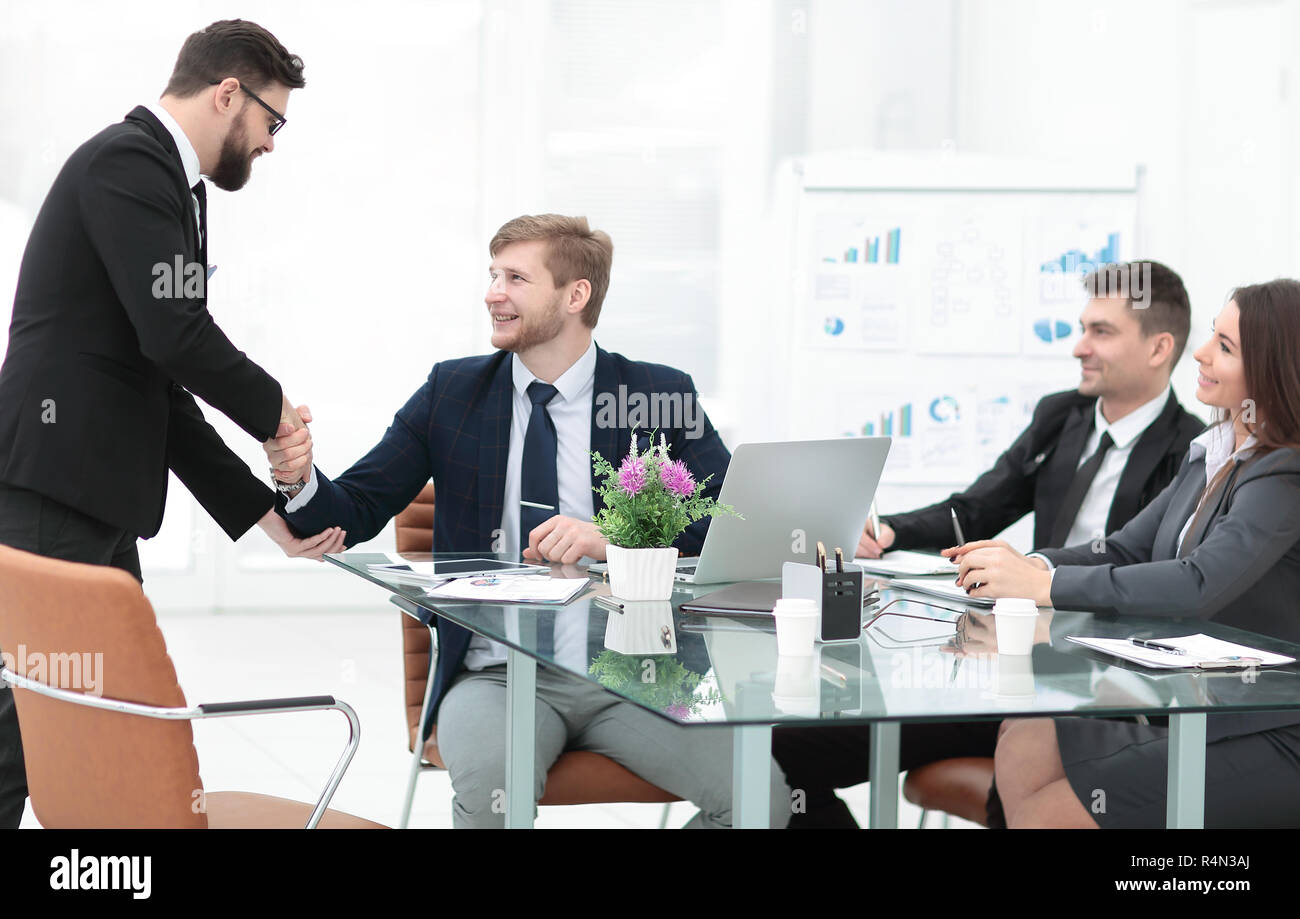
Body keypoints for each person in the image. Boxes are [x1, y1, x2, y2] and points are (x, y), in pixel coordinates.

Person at [264, 214, 791, 828]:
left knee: (763, 801)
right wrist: (297, 478)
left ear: (575, 295)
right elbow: (354, 509)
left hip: (636, 673)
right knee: (494, 805)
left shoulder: (657, 394)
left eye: (515, 277)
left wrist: (614, 537)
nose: (493, 292)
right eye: (493, 275)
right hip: (498, 678)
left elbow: (733, 523)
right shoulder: (452, 391)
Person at [0, 20, 343, 830]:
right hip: (53, 489)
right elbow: (177, 337)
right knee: (25, 726)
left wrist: (269, 519)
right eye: (272, 121)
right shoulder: (128, 164)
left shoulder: (172, 187)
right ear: (229, 93)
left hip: (97, 502)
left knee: (108, 722)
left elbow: (161, 382)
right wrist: (274, 415)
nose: (271, 144)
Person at [776, 260, 1206, 828]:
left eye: (1101, 331)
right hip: (1015, 662)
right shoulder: (1063, 417)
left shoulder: (1191, 451)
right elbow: (981, 507)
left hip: (1105, 689)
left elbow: (1157, 578)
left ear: (1159, 349)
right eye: (1082, 328)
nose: (1079, 347)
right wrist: (891, 530)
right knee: (789, 751)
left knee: (1025, 789)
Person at [952, 279, 1300, 828]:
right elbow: (1121, 549)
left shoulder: (1284, 471)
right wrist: (1028, 566)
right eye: (1213, 334)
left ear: (1275, 373)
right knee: (1026, 735)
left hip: (1270, 726)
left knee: (1046, 814)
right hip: (1198, 705)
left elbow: (1197, 582)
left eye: (1226, 347)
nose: (1202, 353)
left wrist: (1043, 588)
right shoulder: (1215, 451)